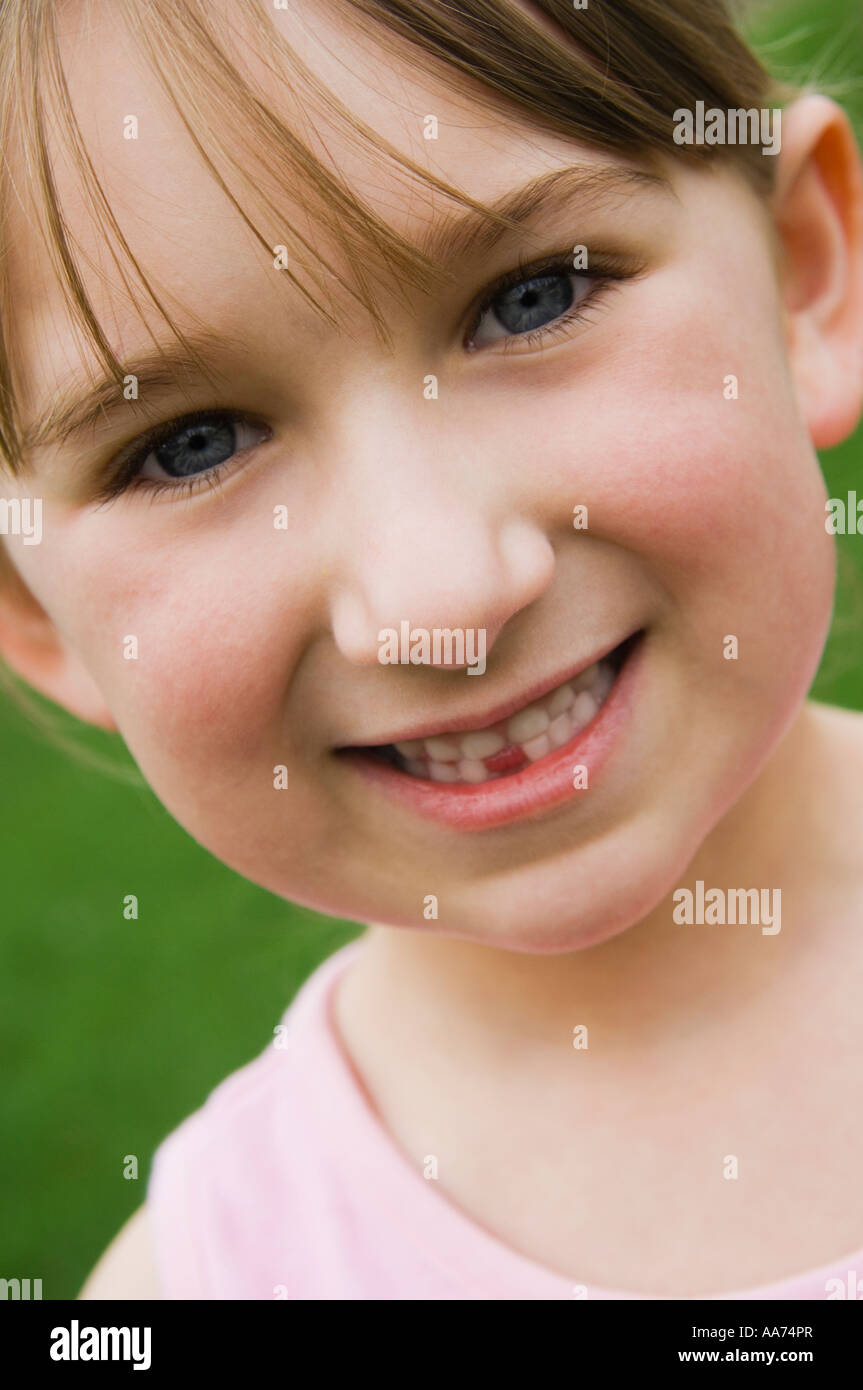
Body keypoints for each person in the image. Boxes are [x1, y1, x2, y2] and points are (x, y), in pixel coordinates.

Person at [2, 0, 863, 1299]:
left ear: (804, 268)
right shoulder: (223, 1277)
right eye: (191, 444)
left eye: (534, 297)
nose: (438, 594)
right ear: (27, 608)